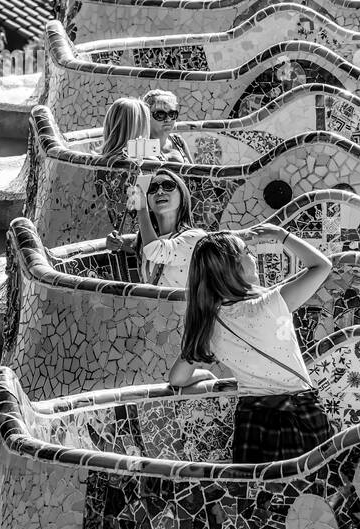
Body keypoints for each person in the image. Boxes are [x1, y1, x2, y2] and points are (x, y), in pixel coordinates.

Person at [167, 227, 335, 463]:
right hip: (298, 414)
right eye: (247, 252)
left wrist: (204, 374)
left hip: (252, 421)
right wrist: (280, 234)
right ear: (234, 266)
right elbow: (321, 266)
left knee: (259, 496)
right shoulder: (269, 305)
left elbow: (176, 379)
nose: (253, 258)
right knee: (309, 492)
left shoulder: (207, 325)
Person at [108, 168, 209, 288]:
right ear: (149, 201)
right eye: (152, 189)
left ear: (182, 195)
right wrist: (116, 241)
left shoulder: (197, 238)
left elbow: (154, 249)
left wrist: (141, 208)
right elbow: (137, 241)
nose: (160, 191)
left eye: (168, 186)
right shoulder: (144, 240)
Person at [99, 96, 186, 163]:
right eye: (146, 121)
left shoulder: (96, 160)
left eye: (172, 114)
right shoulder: (146, 163)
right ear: (139, 126)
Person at [143, 88, 194, 163]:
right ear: (147, 116)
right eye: (160, 114)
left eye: (172, 114)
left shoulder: (178, 141)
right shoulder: (141, 145)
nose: (168, 119)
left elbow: (192, 170)